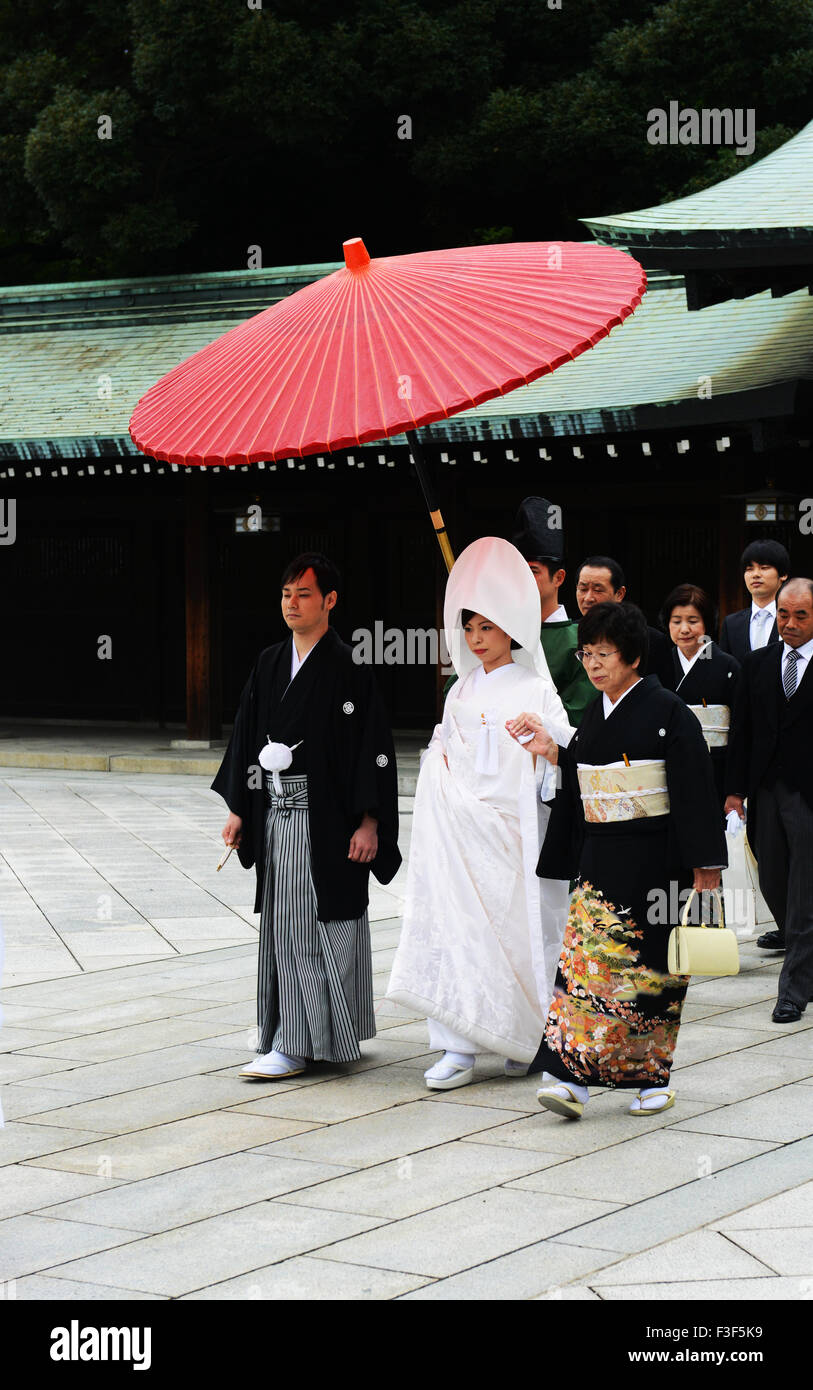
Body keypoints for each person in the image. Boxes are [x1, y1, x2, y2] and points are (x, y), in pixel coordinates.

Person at [508, 602, 726, 1119]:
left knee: (650, 975)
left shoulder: (669, 712)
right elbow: (585, 772)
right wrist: (553, 751)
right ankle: (570, 1079)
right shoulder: (594, 712)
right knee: (582, 972)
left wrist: (705, 866)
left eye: (603, 654)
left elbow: (695, 790)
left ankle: (651, 1079)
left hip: (656, 863)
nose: (593, 664)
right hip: (600, 860)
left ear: (632, 656)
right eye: (586, 654)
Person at [387, 536, 574, 1090]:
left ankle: (523, 1036)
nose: (476, 638)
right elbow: (441, 747)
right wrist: (442, 770)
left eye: (487, 627)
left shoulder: (536, 687)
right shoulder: (460, 689)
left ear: (510, 629)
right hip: (460, 832)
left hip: (513, 831)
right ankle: (458, 1047)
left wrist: (543, 744)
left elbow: (565, 747)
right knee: (458, 930)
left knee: (518, 932)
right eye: (469, 628)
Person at [212, 552, 401, 1079]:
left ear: (330, 600)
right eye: (286, 594)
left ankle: (303, 1041)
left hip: (331, 819)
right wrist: (240, 809)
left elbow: (373, 749)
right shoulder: (270, 661)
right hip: (276, 813)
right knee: (286, 924)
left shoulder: (349, 667)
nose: (291, 604)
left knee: (321, 923)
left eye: (304, 594)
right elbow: (246, 735)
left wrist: (370, 822)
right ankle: (296, 1035)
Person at [725, 578, 813, 1022]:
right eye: (783, 614)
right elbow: (741, 732)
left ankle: (793, 991)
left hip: (808, 795)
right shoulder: (756, 664)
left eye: (801, 615)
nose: (789, 623)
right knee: (774, 882)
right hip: (765, 789)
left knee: (803, 892)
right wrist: (734, 791)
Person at [512, 496, 595, 725]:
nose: (523, 579)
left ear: (558, 578)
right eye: (518, 571)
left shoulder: (582, 640)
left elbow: (577, 713)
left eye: (533, 571)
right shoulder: (501, 632)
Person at [658, 583, 740, 805]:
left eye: (693, 621)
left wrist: (735, 789)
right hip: (669, 771)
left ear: (707, 622)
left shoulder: (727, 666)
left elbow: (740, 731)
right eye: (676, 621)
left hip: (716, 769)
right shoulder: (660, 664)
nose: (684, 629)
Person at [574, 555, 672, 682]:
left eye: (598, 590)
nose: (588, 598)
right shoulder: (569, 635)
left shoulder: (652, 641)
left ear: (619, 594)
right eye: (583, 589)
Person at [719, 538, 789, 666]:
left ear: (783, 574)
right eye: (749, 569)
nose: (755, 574)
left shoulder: (793, 620)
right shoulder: (731, 624)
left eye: (764, 568)